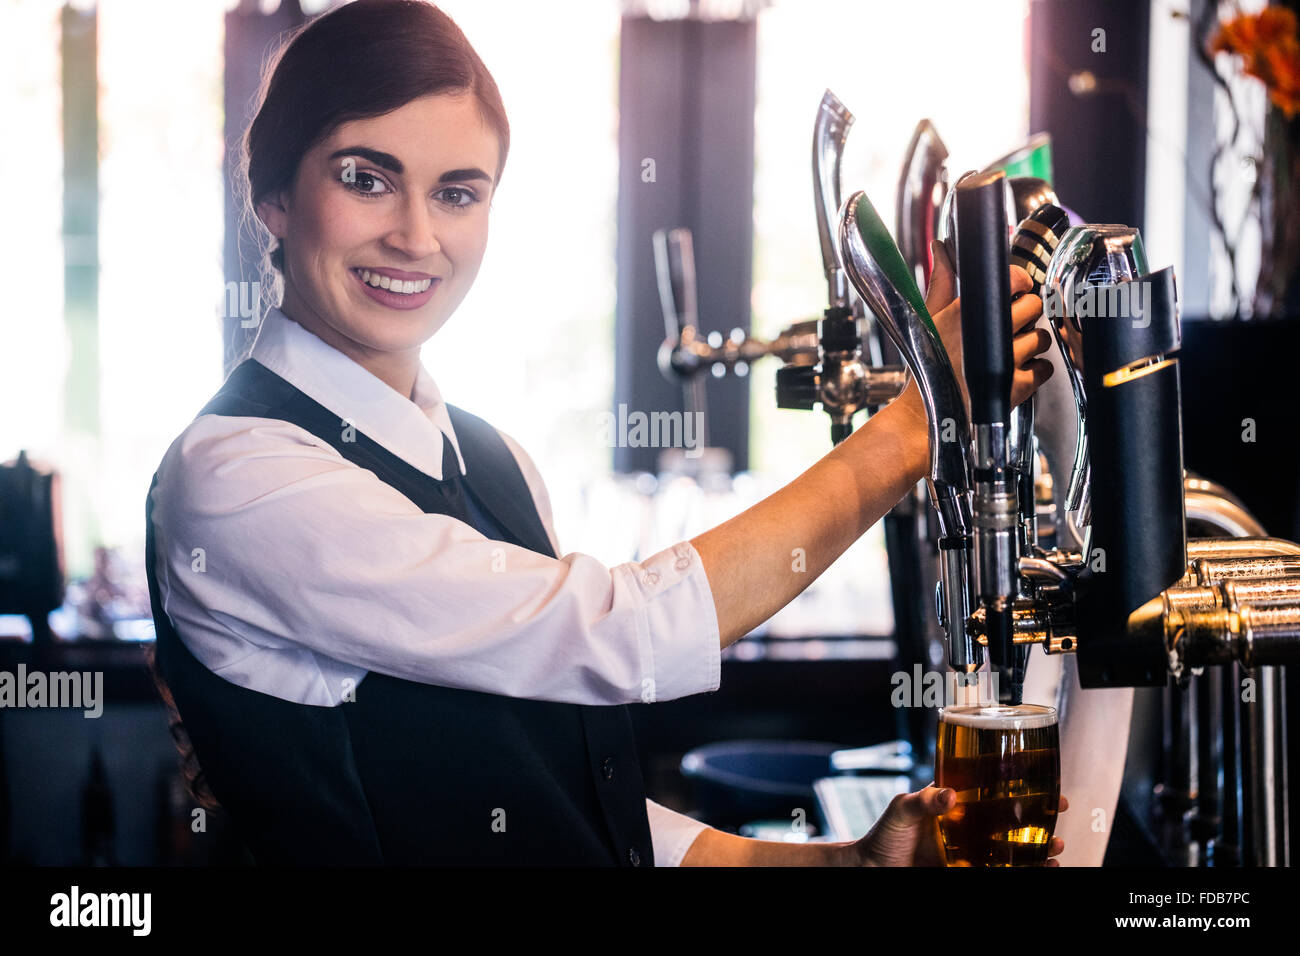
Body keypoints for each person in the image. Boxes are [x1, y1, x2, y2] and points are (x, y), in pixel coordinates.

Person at [145, 0, 1063, 866]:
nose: (415, 235)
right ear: (272, 194)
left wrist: (848, 862)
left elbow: (579, 809)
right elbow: (619, 637)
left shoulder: (492, 460)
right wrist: (915, 425)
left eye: (457, 192)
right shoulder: (237, 470)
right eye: (364, 178)